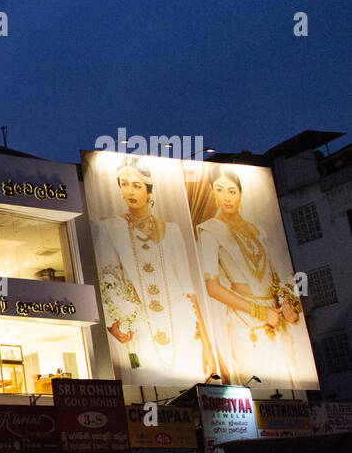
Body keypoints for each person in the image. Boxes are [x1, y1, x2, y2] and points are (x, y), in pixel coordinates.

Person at [95, 156, 214, 379]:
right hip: (140, 332)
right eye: (124, 184)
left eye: (137, 185)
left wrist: (207, 346)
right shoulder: (110, 228)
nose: (130, 191)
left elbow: (189, 291)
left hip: (183, 330)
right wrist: (113, 326)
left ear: (148, 191)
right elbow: (106, 283)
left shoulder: (172, 231)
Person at [197, 167, 305, 389]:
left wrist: (287, 304)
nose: (226, 196)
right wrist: (259, 311)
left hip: (276, 320)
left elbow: (276, 277)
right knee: (257, 387)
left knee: (290, 385)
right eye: (219, 190)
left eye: (232, 190)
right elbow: (212, 287)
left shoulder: (257, 230)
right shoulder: (209, 231)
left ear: (240, 193)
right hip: (245, 322)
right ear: (212, 192)